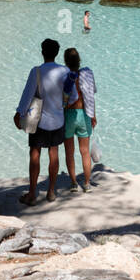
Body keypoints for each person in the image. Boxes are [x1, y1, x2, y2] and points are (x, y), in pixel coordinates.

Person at [14, 38, 68, 205]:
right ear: (57, 53)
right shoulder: (65, 71)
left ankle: (32, 193)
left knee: (35, 153)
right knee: (54, 152)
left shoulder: (36, 71)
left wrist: (19, 113)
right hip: (58, 119)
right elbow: (70, 95)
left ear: (42, 52)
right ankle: (51, 192)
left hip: (39, 120)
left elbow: (28, 94)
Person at [61, 48, 97, 193]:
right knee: (85, 151)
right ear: (79, 60)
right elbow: (90, 96)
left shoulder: (64, 77)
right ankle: (87, 184)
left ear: (65, 61)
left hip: (68, 115)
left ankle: (74, 183)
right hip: (84, 114)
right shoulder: (86, 74)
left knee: (69, 152)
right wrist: (93, 115)